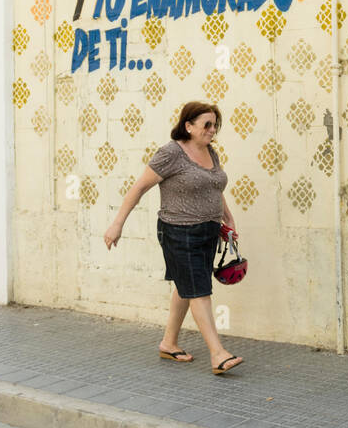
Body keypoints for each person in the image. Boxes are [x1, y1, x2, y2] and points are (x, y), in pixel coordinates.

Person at [104, 100, 244, 375]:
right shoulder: (171, 154)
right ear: (188, 125)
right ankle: (218, 354)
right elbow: (139, 187)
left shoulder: (209, 152)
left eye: (215, 125)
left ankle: (169, 343)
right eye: (206, 124)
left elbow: (214, 186)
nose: (212, 130)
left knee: (186, 286)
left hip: (208, 230)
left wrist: (226, 217)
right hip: (180, 231)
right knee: (199, 290)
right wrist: (117, 224)